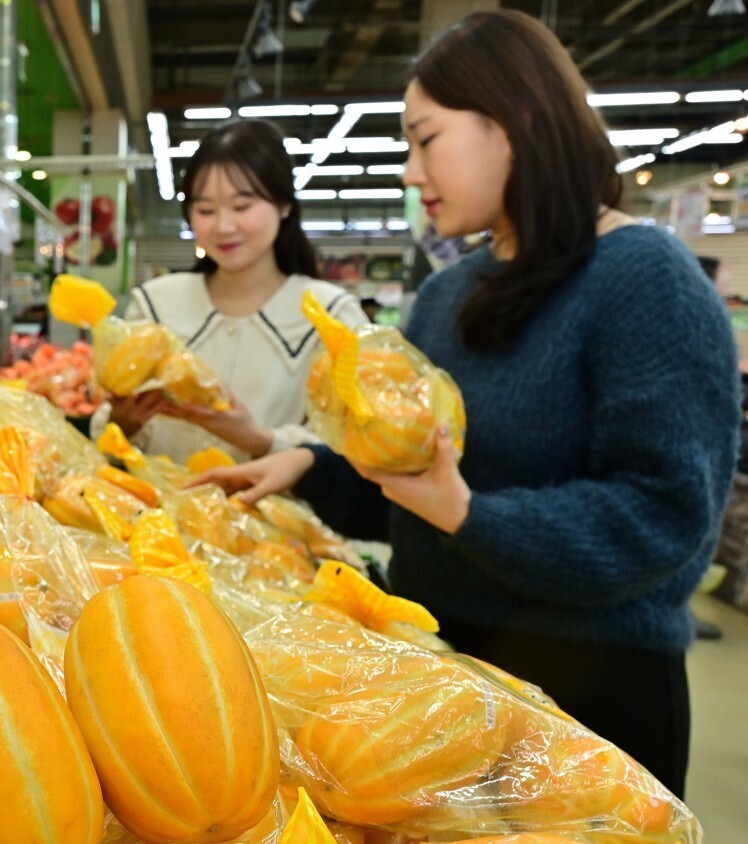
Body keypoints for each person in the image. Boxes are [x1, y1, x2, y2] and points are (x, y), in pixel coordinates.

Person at [191, 10, 739, 798]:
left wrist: (469, 514)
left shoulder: (645, 279)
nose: (411, 172)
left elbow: (662, 519)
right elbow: (415, 489)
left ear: (510, 125)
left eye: (424, 139)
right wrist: (308, 465)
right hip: (439, 682)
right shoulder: (448, 294)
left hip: (592, 705)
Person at [91, 119, 368, 464]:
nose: (223, 226)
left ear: (285, 205)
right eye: (205, 210)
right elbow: (109, 440)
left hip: (280, 516)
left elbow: (355, 445)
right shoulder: (154, 306)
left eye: (242, 207)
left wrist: (262, 441)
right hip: (161, 514)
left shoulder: (331, 315)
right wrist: (122, 424)